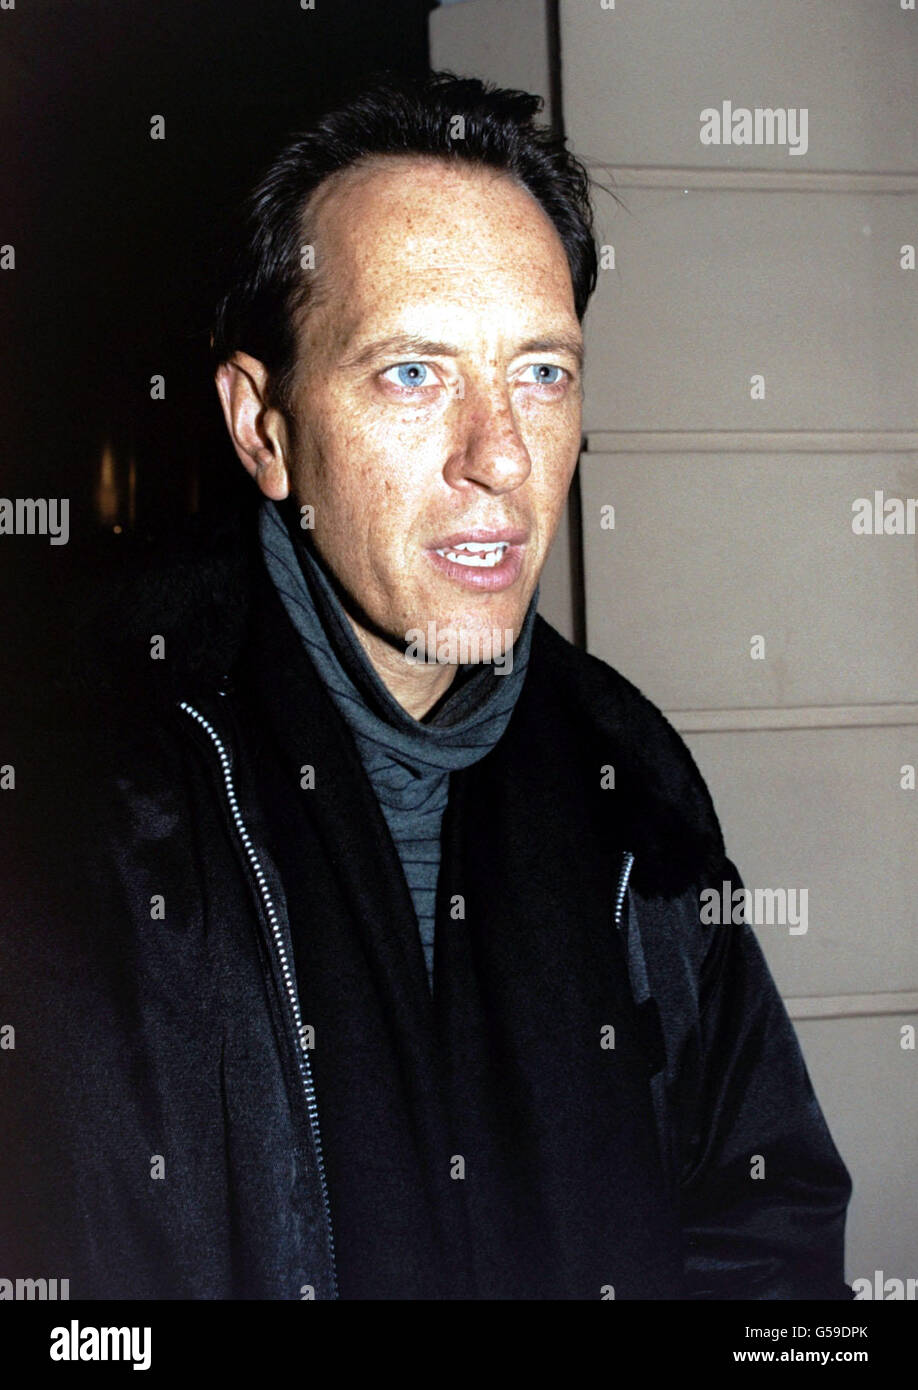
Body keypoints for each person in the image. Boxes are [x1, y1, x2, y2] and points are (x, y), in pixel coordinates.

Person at [0, 70, 852, 1300]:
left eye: (542, 373)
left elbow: (763, 1226)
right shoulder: (74, 796)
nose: (500, 456)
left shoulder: (633, 779)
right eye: (413, 373)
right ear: (262, 425)